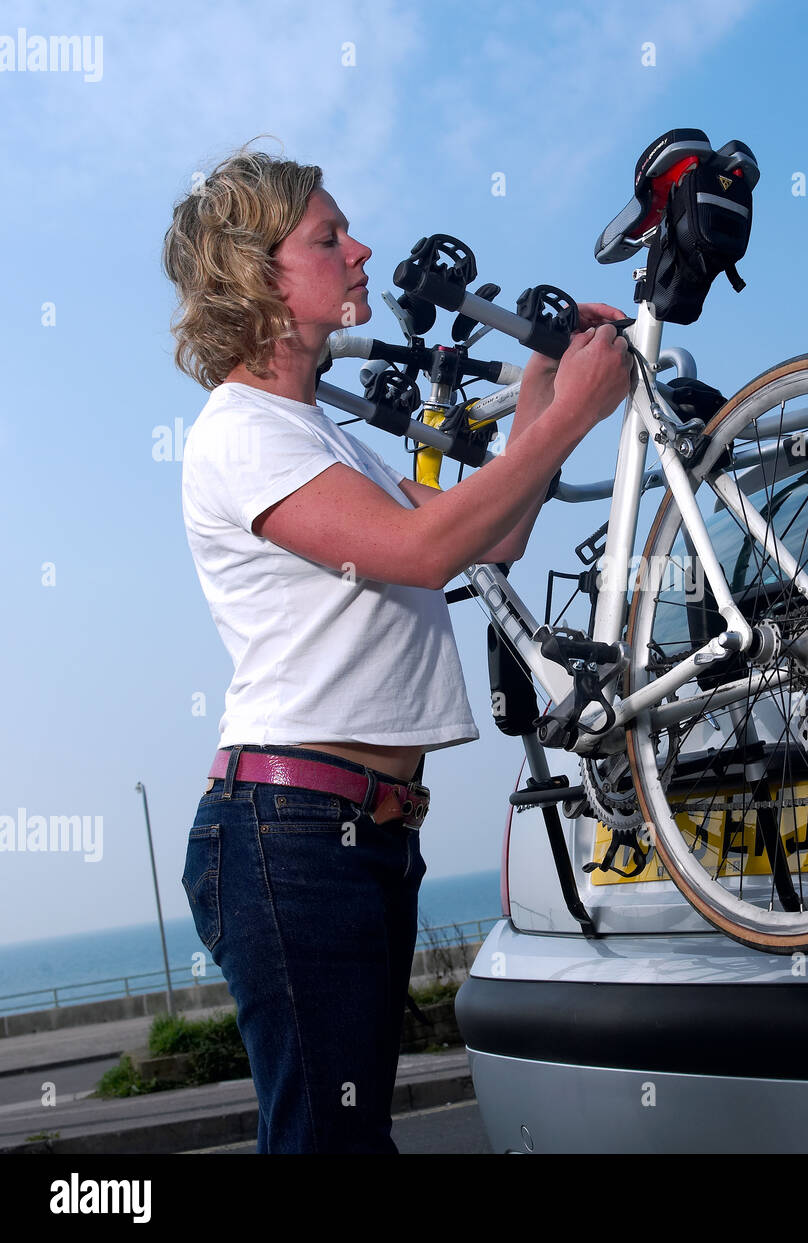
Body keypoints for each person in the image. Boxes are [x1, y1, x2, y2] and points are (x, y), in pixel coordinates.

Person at [164, 144, 629, 1153]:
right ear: (256, 273)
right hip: (290, 832)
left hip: (357, 831)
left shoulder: (323, 439)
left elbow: (486, 536)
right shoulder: (242, 433)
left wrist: (548, 399)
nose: (361, 247)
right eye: (329, 237)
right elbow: (422, 553)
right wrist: (574, 419)